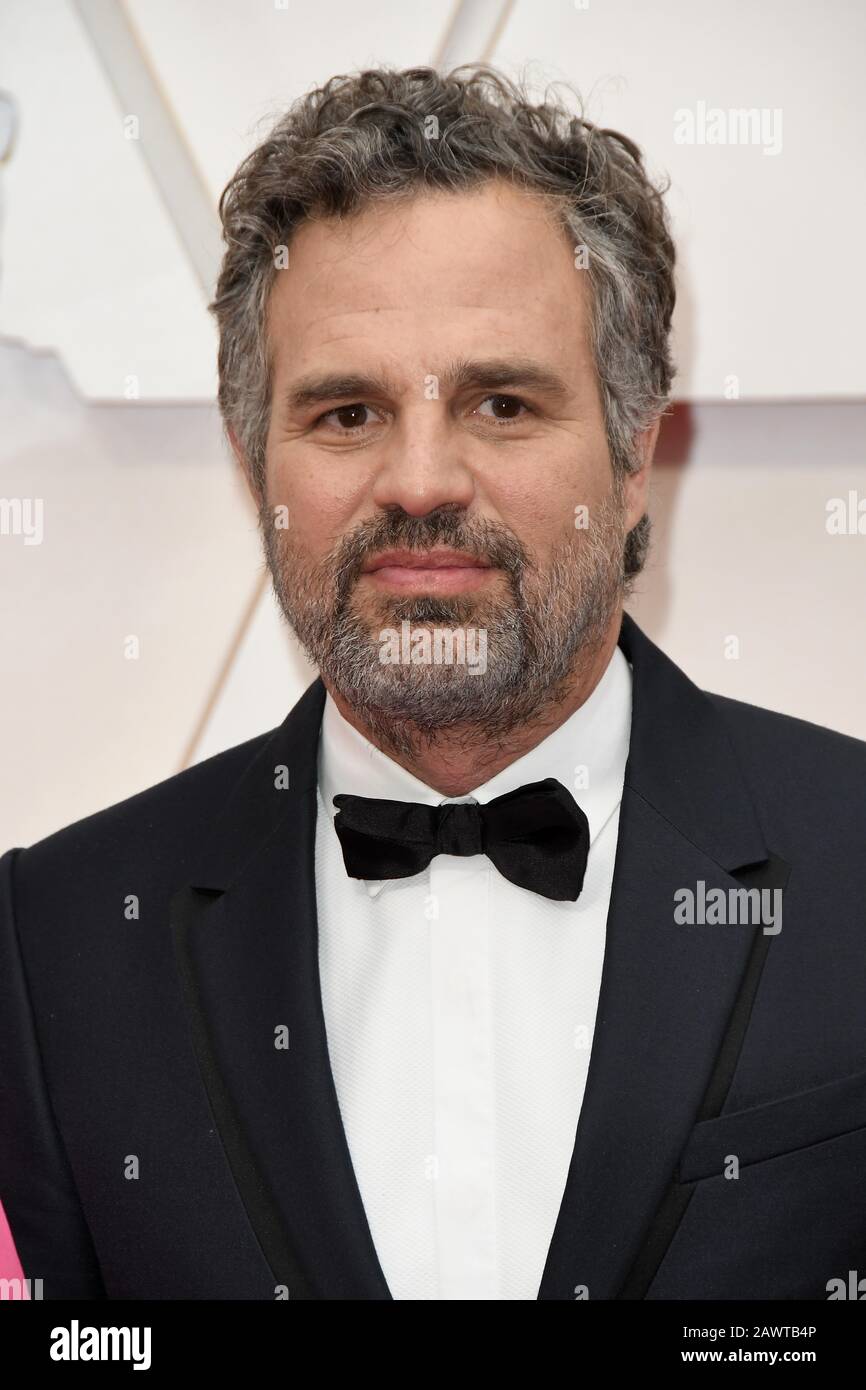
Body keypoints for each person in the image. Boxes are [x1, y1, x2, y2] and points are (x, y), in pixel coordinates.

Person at [1, 65, 864, 1302]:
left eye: (499, 402)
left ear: (630, 457)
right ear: (256, 470)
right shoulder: (55, 941)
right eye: (345, 413)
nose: (419, 482)